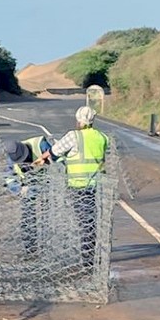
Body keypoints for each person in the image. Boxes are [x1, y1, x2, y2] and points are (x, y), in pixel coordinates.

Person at [40, 106, 109, 267]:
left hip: (78, 185)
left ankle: (87, 260)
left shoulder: (74, 136)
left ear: (79, 120)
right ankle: (90, 254)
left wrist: (42, 157)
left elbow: (55, 151)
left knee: (84, 223)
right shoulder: (102, 137)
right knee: (90, 220)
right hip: (96, 185)